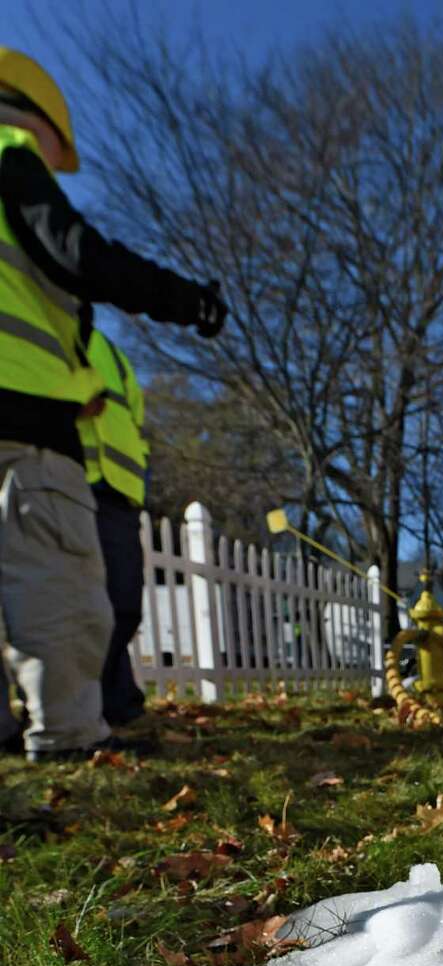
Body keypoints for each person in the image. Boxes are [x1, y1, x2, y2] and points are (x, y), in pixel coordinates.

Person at [0, 48, 227, 760]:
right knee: (60, 593)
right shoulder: (9, 155)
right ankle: (68, 736)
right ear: (28, 116)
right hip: (24, 423)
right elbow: (76, 252)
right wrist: (185, 299)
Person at [79, 326, 148, 729]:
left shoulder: (111, 351)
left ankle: (114, 697)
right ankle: (96, 703)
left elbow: (133, 421)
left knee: (122, 605)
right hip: (72, 478)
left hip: (119, 491)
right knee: (78, 606)